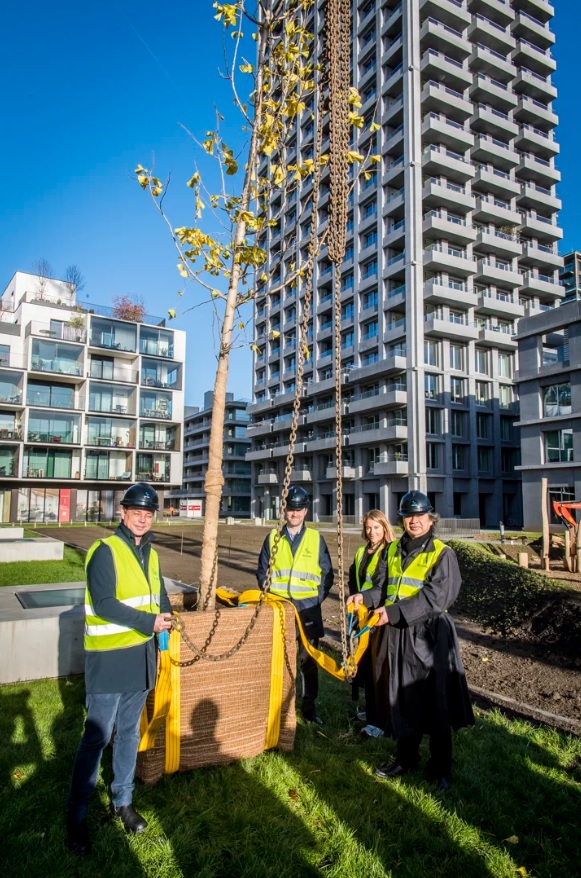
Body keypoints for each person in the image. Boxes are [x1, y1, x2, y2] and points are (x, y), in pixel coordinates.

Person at [66, 483, 174, 855]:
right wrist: (149, 622)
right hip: (109, 660)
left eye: (148, 514)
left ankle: (122, 802)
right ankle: (77, 816)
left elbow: (158, 594)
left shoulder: (152, 554)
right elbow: (104, 603)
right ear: (123, 513)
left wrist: (166, 615)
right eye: (136, 512)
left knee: (128, 734)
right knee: (96, 737)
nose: (142, 519)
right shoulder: (105, 551)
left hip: (141, 658)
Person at [352, 490, 474, 790]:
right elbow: (382, 587)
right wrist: (364, 597)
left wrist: (392, 612)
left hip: (431, 636)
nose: (414, 521)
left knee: (436, 703)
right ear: (402, 520)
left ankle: (440, 768)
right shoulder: (392, 550)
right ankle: (405, 758)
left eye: (420, 516)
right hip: (397, 633)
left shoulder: (442, 554)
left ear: (430, 519)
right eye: (409, 516)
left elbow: (436, 597)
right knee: (403, 698)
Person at [256, 485, 334, 724]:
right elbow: (262, 571)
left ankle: (309, 710)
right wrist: (272, 599)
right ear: (285, 510)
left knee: (308, 662)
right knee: (278, 660)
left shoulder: (316, 539)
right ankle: (279, 708)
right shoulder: (273, 538)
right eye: (291, 509)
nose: (295, 513)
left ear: (306, 511)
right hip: (279, 610)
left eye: (299, 509)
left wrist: (316, 599)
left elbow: (327, 574)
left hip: (307, 610)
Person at [348, 510, 394, 737]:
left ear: (385, 528)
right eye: (368, 527)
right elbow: (354, 581)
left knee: (378, 669)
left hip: (379, 617)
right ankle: (370, 710)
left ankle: (380, 720)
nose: (372, 532)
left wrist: (364, 599)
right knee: (366, 666)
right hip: (363, 615)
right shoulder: (361, 552)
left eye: (376, 527)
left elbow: (382, 586)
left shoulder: (389, 552)